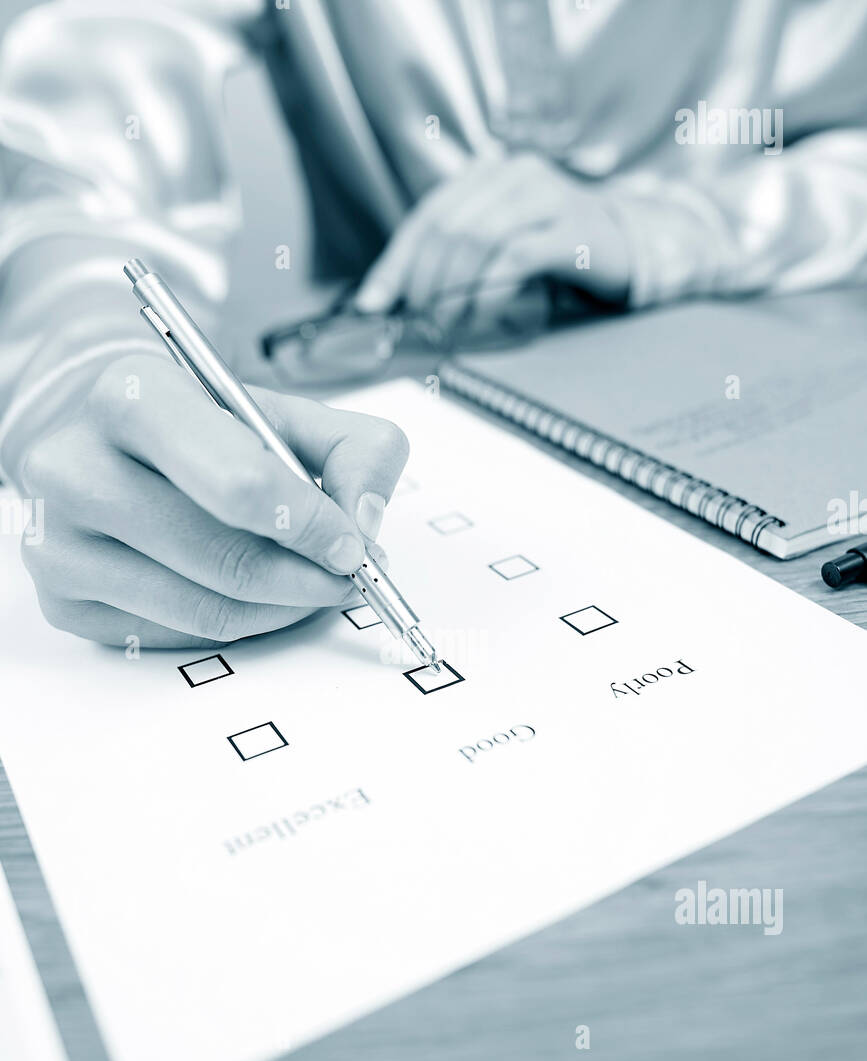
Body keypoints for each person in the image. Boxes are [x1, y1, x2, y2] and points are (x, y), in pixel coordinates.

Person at [1, 0, 866, 646]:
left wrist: (664, 229)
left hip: (780, 386)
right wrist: (88, 371)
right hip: (416, 382)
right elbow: (78, 164)